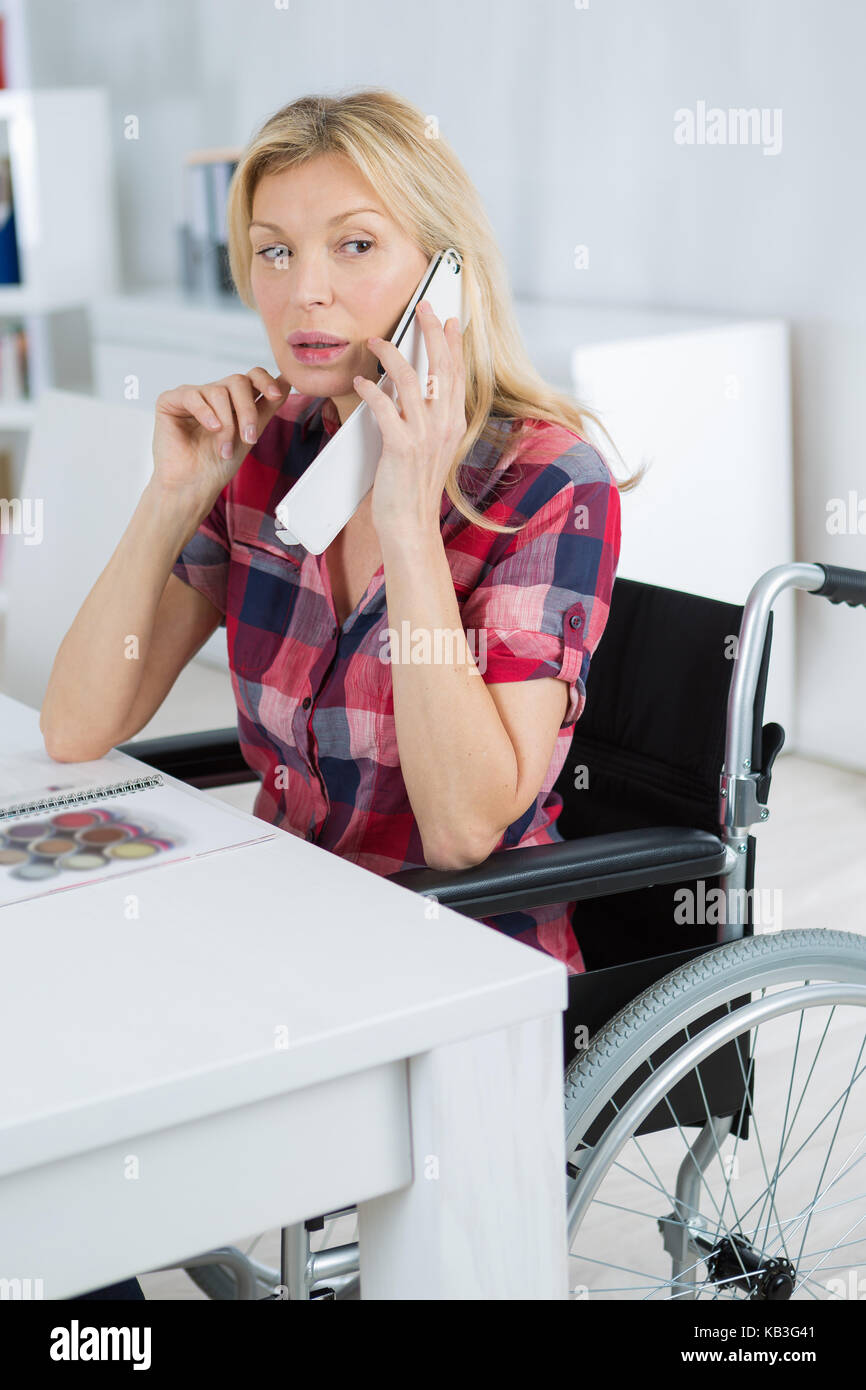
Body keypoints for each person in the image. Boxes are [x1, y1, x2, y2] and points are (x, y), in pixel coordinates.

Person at [40, 88, 639, 1299]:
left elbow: (471, 826)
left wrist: (411, 528)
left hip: (450, 962)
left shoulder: (546, 483)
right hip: (286, 930)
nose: (302, 291)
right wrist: (171, 494)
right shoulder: (273, 455)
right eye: (273, 251)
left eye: (354, 247)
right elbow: (77, 722)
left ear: (443, 281)